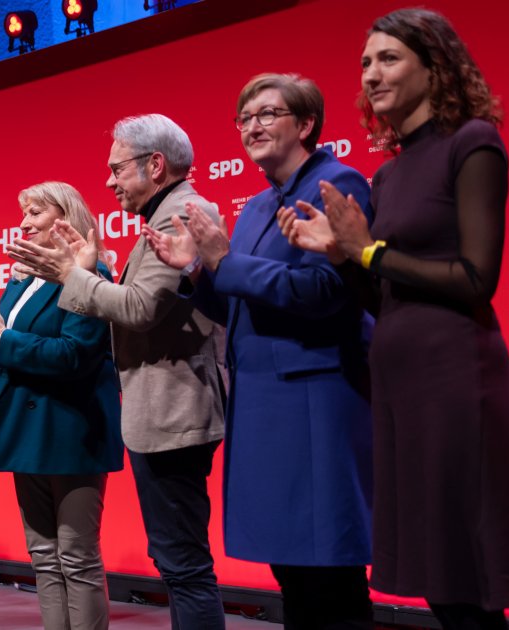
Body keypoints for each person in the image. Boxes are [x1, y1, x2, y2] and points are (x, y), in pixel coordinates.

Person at [278, 9, 509, 628]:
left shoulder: (472, 142)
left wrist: (368, 249)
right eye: (366, 63)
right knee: (439, 579)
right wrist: (344, 257)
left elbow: (478, 278)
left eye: (389, 58)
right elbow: (385, 296)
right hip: (400, 385)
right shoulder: (389, 172)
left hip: (457, 381)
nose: (371, 74)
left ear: (435, 65)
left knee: (469, 577)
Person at [144, 74, 374, 629]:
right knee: (292, 572)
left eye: (267, 114)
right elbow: (239, 306)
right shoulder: (253, 210)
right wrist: (198, 269)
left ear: (306, 123)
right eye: (244, 118)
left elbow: (327, 292)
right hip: (264, 403)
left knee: (329, 573)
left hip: (315, 399)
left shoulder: (337, 184)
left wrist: (224, 261)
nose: (252, 127)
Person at [8, 114, 228, 630]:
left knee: (184, 565)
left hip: (175, 412)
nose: (108, 181)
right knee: (177, 562)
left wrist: (71, 273)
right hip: (161, 412)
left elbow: (138, 308)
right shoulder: (167, 212)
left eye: (116, 168)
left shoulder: (181, 214)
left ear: (155, 165)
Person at [0, 182, 122, 630]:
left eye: (35, 214)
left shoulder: (92, 278)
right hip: (25, 434)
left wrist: (1, 336)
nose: (23, 224)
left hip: (70, 432)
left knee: (77, 557)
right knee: (45, 558)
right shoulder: (21, 282)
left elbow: (73, 355)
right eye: (22, 214)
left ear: (64, 221)